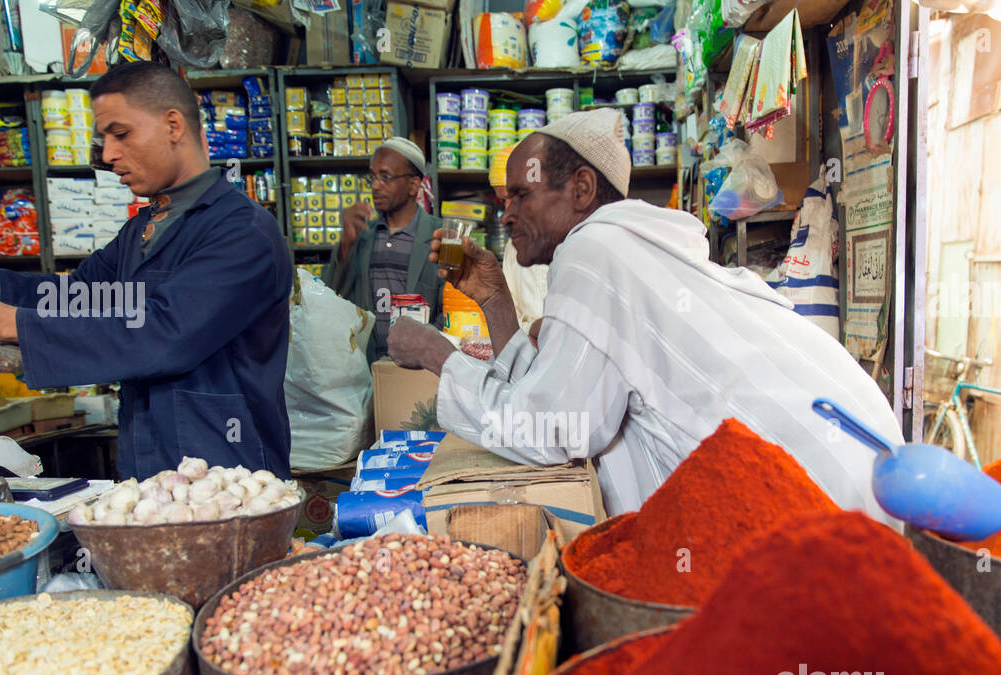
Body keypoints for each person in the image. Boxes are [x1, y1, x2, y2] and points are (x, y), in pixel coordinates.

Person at [387, 109, 903, 519]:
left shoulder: (596, 249)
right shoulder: (630, 247)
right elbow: (557, 393)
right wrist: (496, 299)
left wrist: (439, 355)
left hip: (825, 515)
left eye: (522, 194)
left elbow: (552, 429)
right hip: (863, 485)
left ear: (582, 189)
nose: (506, 214)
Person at [0, 61, 292, 479]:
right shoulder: (143, 229)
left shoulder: (241, 232)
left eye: (121, 133)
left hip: (230, 475)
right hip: (153, 471)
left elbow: (165, 336)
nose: (109, 153)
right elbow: (79, 297)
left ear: (173, 125)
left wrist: (3, 323)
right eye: (104, 138)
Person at [328, 137, 444, 361]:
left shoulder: (440, 236)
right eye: (372, 177)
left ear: (413, 185)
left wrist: (422, 352)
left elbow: (449, 312)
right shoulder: (361, 236)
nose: (375, 185)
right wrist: (345, 246)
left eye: (385, 177)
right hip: (366, 369)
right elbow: (332, 300)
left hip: (420, 370)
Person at [489, 145, 547, 343]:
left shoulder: (576, 240)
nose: (507, 210)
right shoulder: (513, 247)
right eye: (502, 199)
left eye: (513, 197)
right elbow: (509, 320)